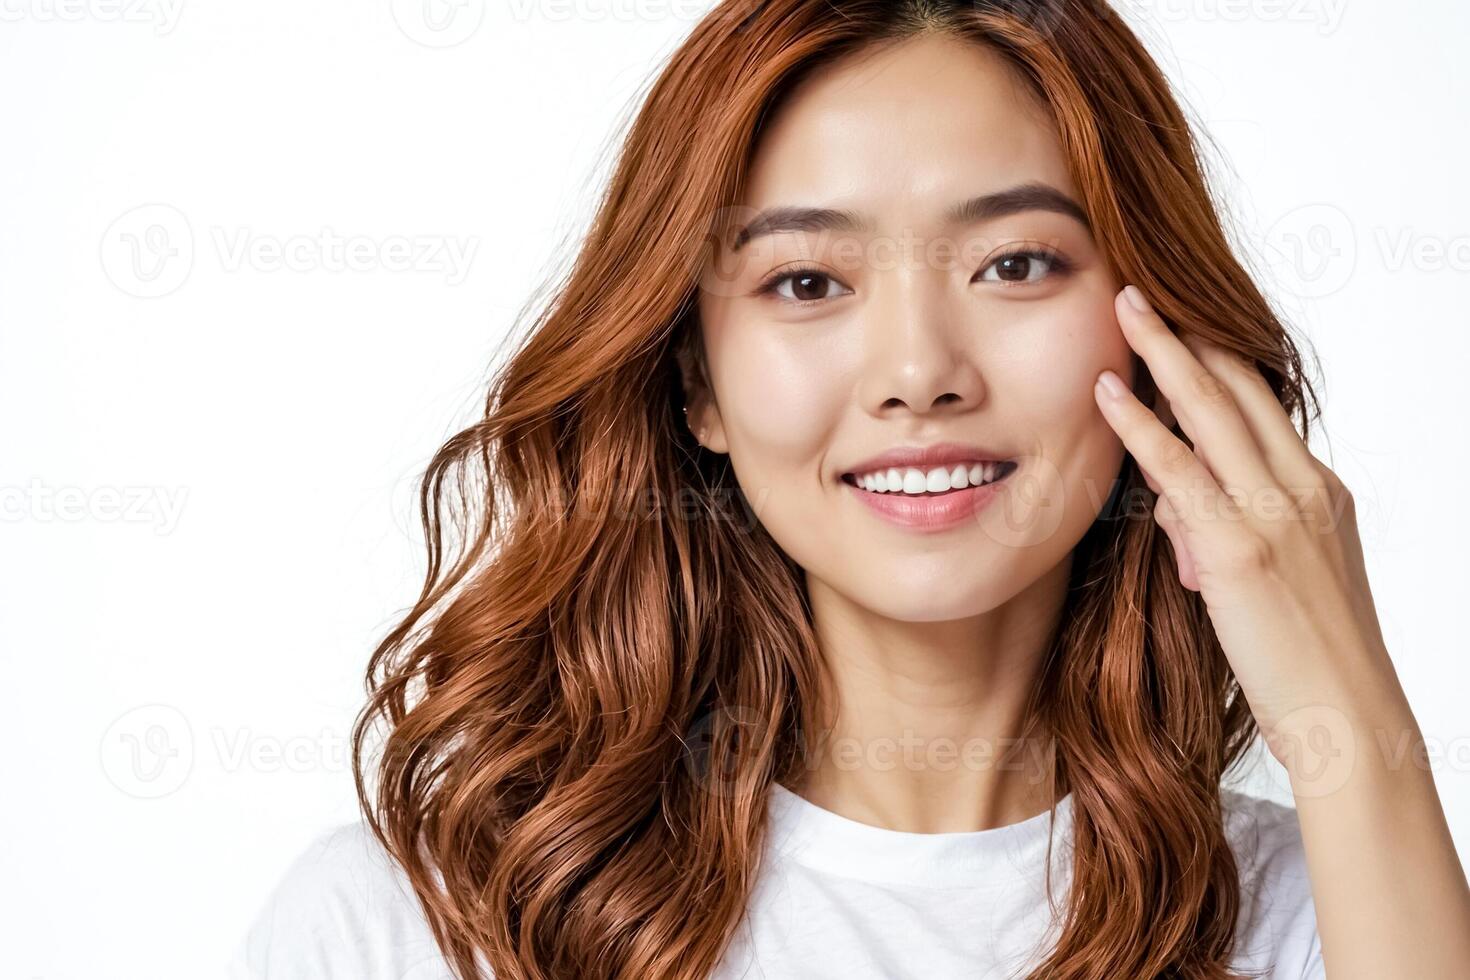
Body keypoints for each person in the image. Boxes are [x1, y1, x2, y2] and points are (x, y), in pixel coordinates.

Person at [229, 1, 1470, 977]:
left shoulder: (1335, 915)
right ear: (696, 384)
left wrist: (1346, 701)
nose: (919, 371)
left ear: (1164, 342)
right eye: (808, 282)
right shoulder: (421, 925)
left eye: (1017, 262)